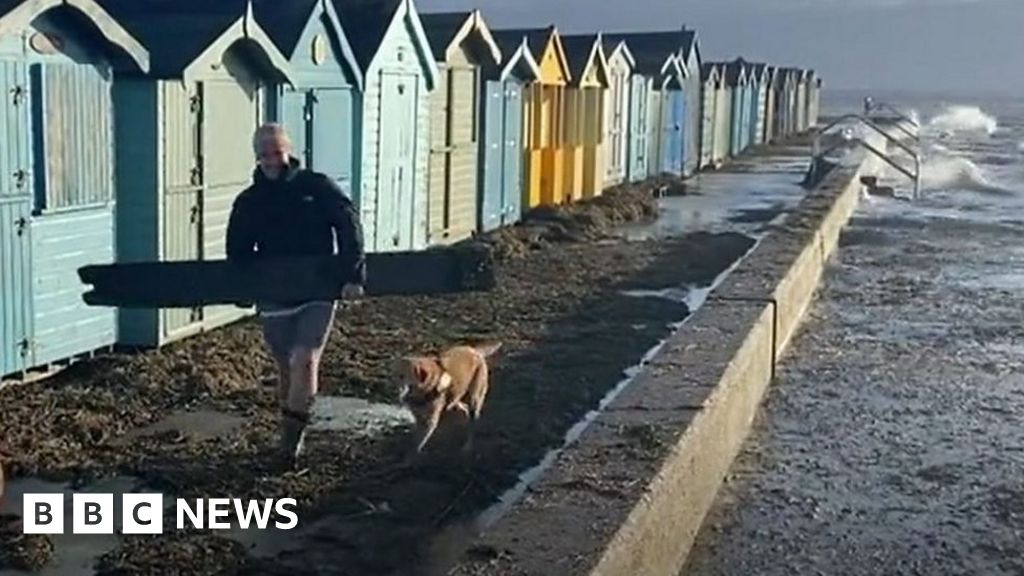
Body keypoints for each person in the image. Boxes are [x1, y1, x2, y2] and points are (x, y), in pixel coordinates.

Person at [226, 123, 366, 470]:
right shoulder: (249, 201)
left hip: (318, 288)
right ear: (256, 156)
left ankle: (289, 447)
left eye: (277, 152)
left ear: (288, 151)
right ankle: (293, 425)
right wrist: (244, 287)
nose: (272, 160)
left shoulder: (316, 187)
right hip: (275, 292)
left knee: (305, 358)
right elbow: (238, 249)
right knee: (286, 366)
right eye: (264, 154)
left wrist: (352, 274)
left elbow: (349, 224)